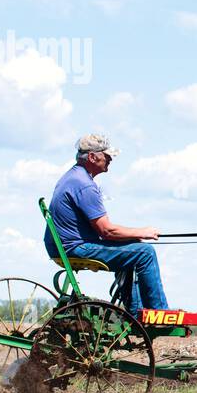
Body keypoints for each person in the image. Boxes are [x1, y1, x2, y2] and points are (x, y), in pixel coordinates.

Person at [44, 134, 169, 314]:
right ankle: (160, 314)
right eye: (107, 155)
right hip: (75, 247)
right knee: (145, 252)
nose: (110, 159)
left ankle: (136, 313)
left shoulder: (72, 177)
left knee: (133, 251)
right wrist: (143, 232)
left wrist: (135, 236)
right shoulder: (84, 185)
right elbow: (106, 231)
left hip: (63, 246)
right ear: (93, 157)